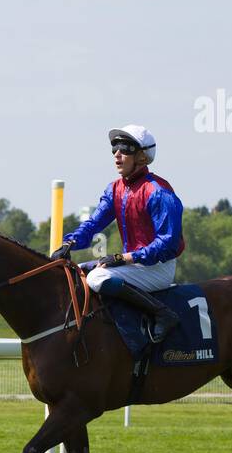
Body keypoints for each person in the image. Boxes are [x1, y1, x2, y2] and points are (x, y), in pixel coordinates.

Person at [54, 125, 185, 342]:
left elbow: (168, 244)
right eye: (114, 147)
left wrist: (123, 258)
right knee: (77, 272)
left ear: (142, 156)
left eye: (125, 147)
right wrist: (70, 243)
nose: (117, 153)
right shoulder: (114, 189)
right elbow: (94, 223)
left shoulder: (159, 192)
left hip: (158, 268)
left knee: (97, 277)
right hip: (132, 265)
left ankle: (162, 313)